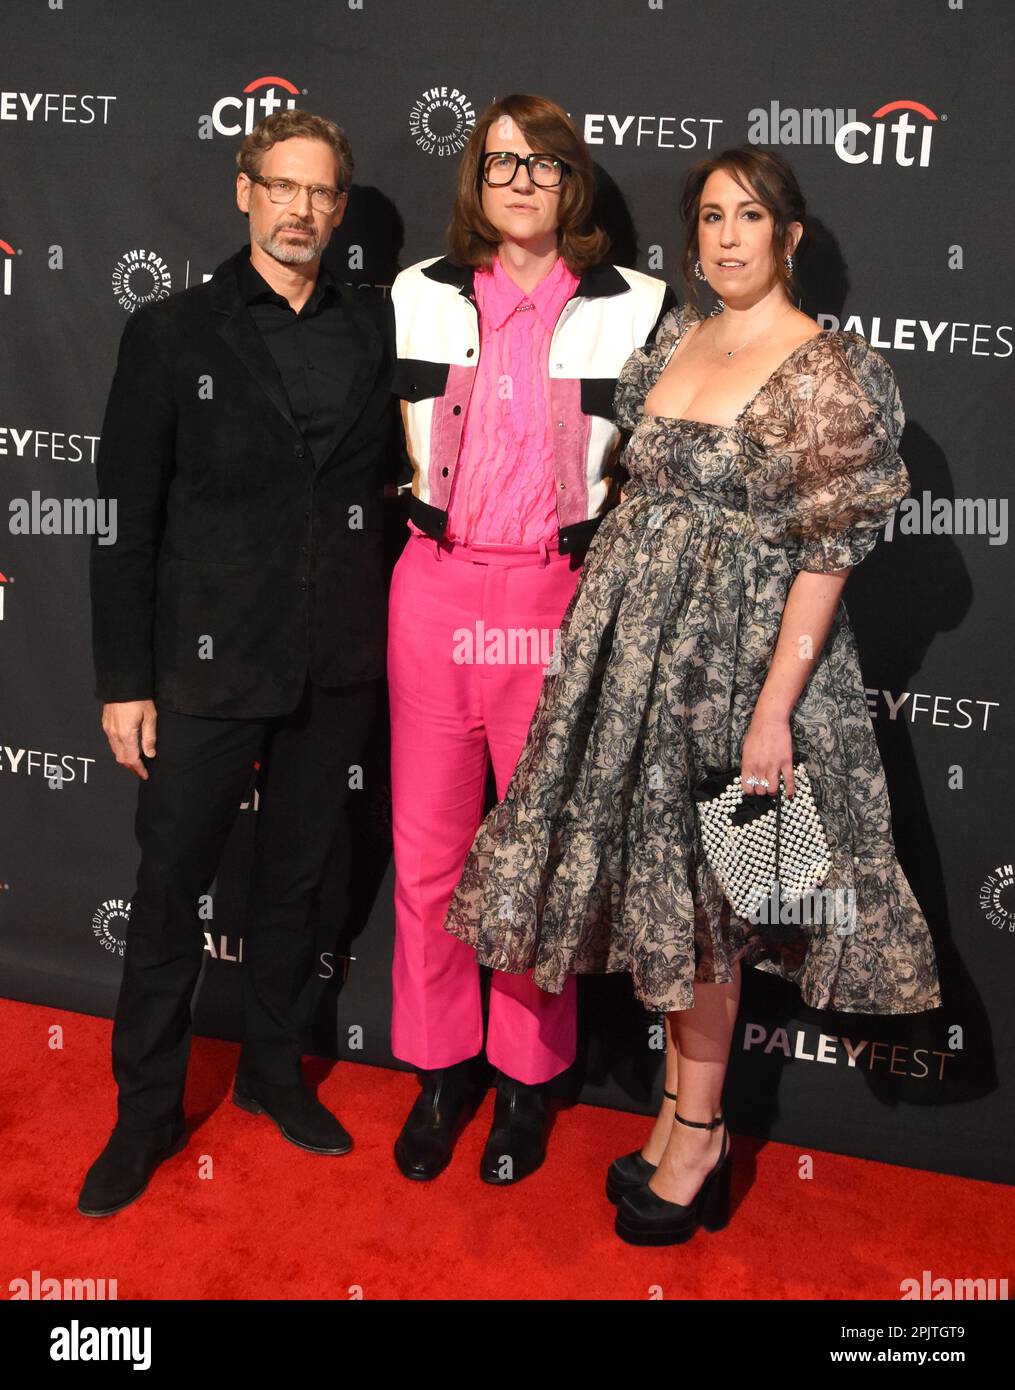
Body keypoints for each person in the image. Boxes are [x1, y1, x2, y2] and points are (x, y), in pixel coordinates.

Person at [442, 146, 942, 1239]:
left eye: (748, 216)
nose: (725, 237)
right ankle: (676, 1116)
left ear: (790, 235)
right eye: (709, 217)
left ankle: (703, 1134)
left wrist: (773, 709)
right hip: (633, 674)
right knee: (668, 902)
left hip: (741, 680)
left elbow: (830, 554)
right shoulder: (680, 332)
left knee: (727, 910)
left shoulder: (828, 370)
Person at [80, 109, 403, 1217]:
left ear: (340, 207)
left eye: (323, 193)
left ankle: (272, 1071)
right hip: (202, 670)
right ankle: (146, 1108)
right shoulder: (172, 332)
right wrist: (124, 680)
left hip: (336, 666)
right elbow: (125, 519)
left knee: (299, 886)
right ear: (244, 190)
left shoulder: (373, 324)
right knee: (169, 890)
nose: (303, 209)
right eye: (284, 186)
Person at [387, 94, 675, 1185]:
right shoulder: (417, 293)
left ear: (571, 183)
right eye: (499, 160)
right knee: (429, 857)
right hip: (432, 594)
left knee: (537, 860)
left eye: (542, 163)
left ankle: (524, 1081)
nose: (518, 179)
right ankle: (437, 1068)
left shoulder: (636, 304)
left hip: (553, 602)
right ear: (475, 177)